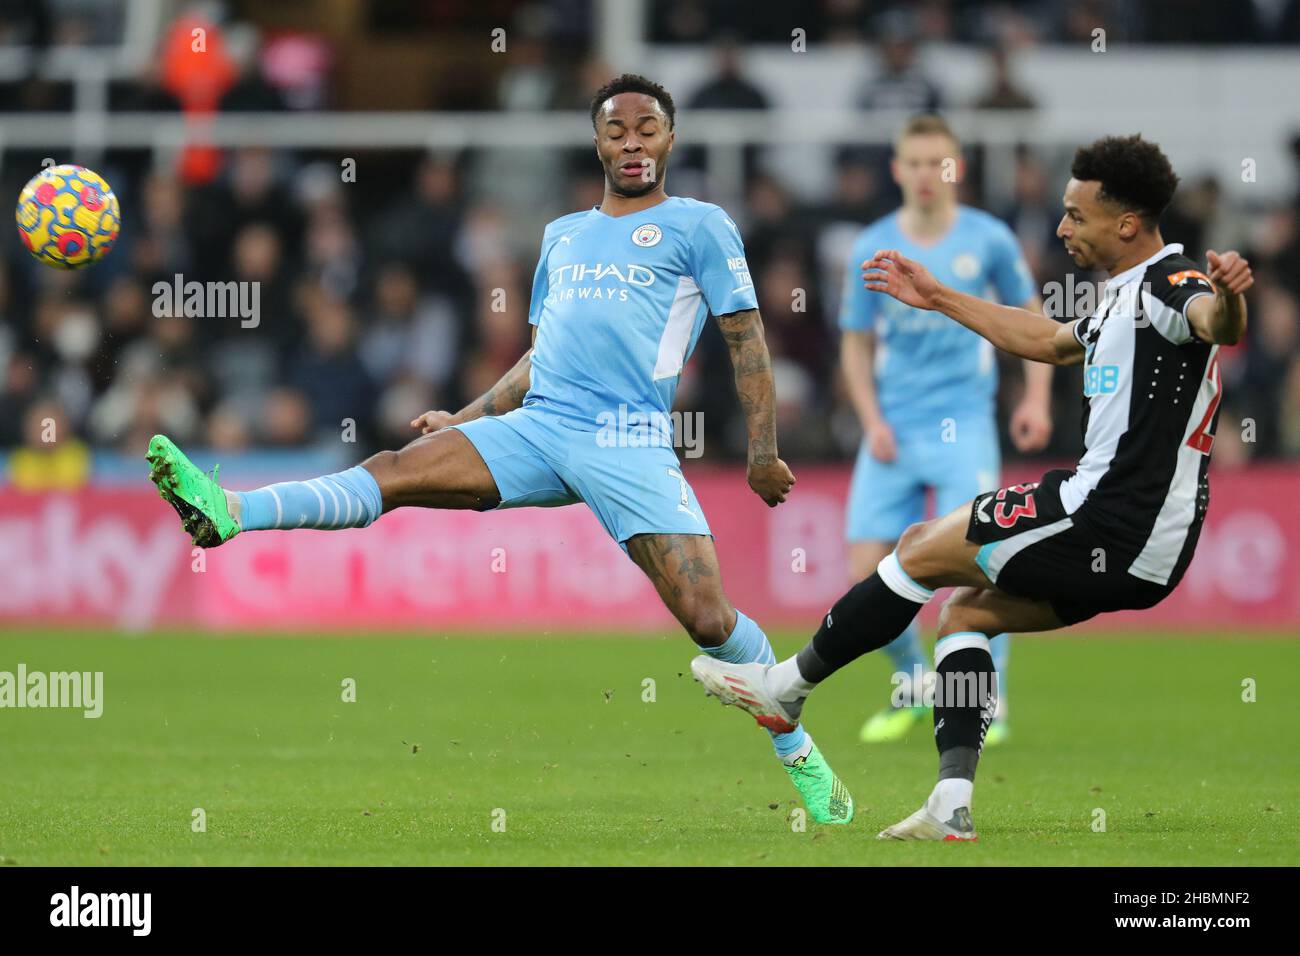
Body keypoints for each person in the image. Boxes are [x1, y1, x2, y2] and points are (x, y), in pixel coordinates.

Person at [145, 73, 853, 825]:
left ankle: (801, 756)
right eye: (618, 130)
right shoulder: (563, 235)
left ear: (671, 138)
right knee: (392, 472)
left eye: (648, 127)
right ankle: (229, 509)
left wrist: (762, 451)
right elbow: (539, 357)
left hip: (628, 441)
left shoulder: (701, 225)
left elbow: (747, 339)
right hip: (541, 425)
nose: (634, 142)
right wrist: (466, 415)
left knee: (709, 620)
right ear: (598, 143)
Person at [692, 134, 1252, 840]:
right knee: (964, 617)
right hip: (1145, 545)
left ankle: (785, 689)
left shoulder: (1175, 286)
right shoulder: (1119, 299)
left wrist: (1229, 300)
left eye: (1076, 215)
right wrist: (938, 296)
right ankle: (949, 803)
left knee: (920, 548)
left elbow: (1214, 323)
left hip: (1109, 519)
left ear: (1128, 224)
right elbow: (1047, 340)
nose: (1061, 228)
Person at [840, 114, 1051, 745]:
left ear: (955, 169)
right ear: (897, 169)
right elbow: (855, 343)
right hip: (894, 432)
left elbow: (1032, 318)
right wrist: (870, 419)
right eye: (916, 162)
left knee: (981, 566)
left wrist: (1036, 398)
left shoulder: (988, 240)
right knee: (864, 570)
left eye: (940, 162)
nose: (928, 174)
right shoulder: (871, 246)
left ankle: (989, 700)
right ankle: (913, 683)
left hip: (966, 423)